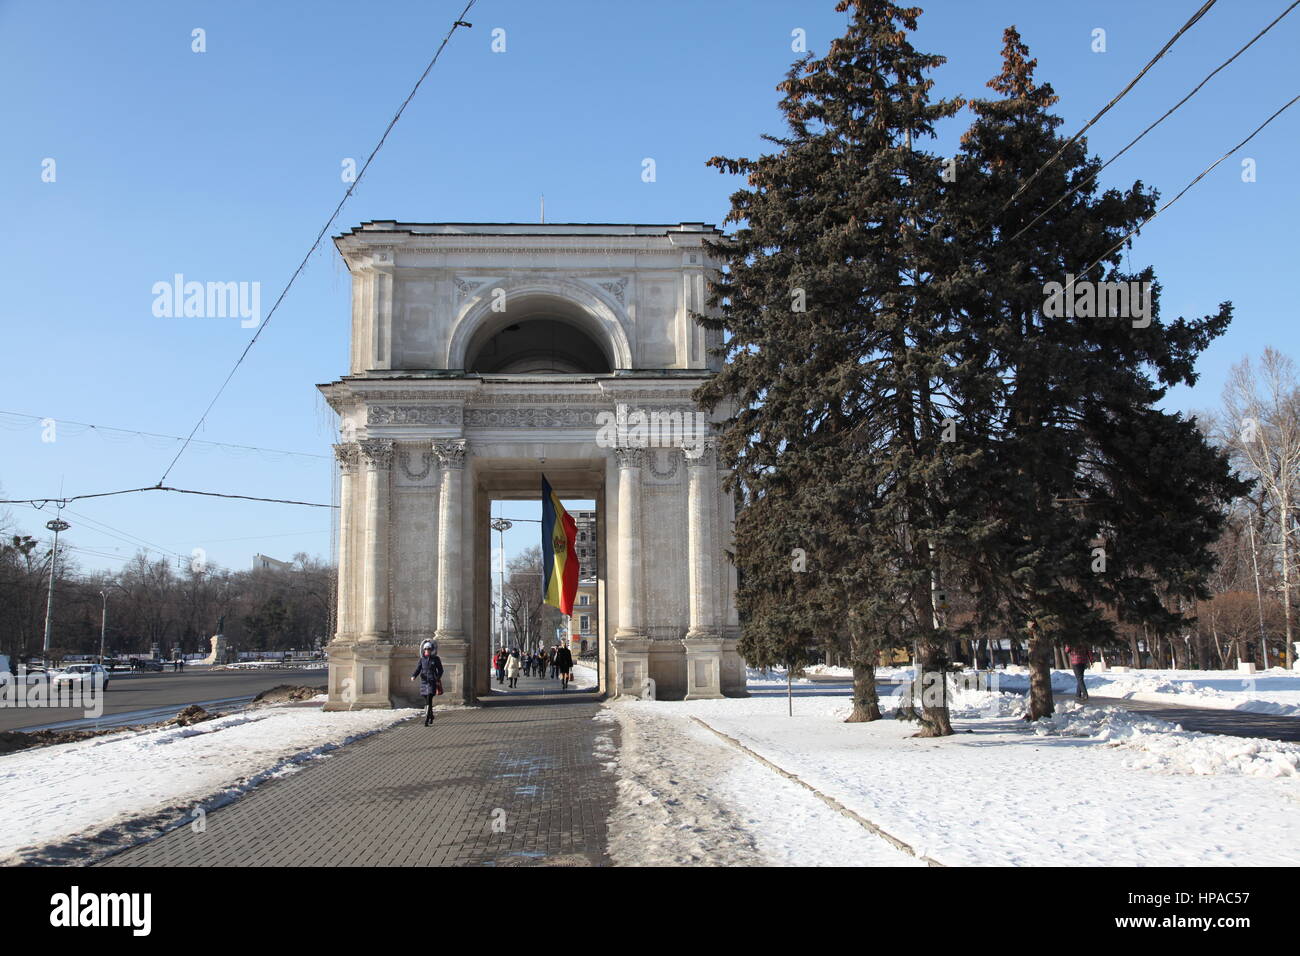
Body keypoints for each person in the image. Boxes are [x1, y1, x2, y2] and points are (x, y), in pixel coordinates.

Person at [410, 639, 444, 725]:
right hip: (424, 681)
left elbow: (440, 670)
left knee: (429, 698)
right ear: (423, 650)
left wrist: (437, 678)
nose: (427, 650)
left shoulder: (436, 659)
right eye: (425, 649)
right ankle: (431, 715)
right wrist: (414, 676)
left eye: (429, 649)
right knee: (427, 700)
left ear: (431, 649)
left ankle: (427, 718)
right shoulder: (422, 659)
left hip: (432, 681)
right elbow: (418, 669)